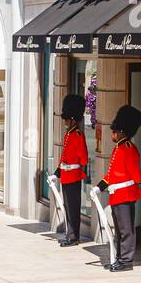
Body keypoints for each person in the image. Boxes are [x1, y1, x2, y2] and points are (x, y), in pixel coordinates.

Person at [97, 105, 141, 272]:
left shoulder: (129, 149)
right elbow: (112, 174)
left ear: (123, 132)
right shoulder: (119, 148)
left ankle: (126, 260)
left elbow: (135, 176)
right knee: (119, 230)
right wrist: (99, 187)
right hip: (117, 195)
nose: (112, 134)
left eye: (115, 131)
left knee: (126, 230)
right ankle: (119, 258)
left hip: (125, 194)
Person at [56, 93, 88, 246]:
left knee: (73, 208)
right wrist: (58, 171)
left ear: (73, 119)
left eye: (67, 118)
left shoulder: (77, 135)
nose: (65, 121)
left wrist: (71, 166)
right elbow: (64, 156)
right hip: (66, 175)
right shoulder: (69, 134)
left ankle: (74, 236)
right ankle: (70, 233)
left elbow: (84, 159)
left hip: (74, 175)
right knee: (68, 207)